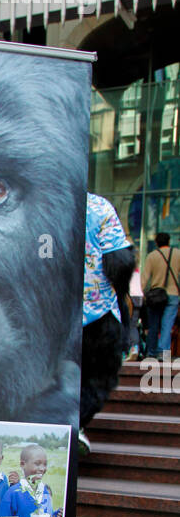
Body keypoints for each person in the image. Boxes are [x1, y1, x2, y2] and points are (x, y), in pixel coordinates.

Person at [80, 193, 135, 453]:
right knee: (98, 376)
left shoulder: (34, 198)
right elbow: (119, 261)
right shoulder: (98, 206)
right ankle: (76, 423)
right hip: (97, 312)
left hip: (47, 315)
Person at [0, 444, 62, 517]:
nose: (42, 468)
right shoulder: (12, 494)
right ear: (23, 464)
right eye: (37, 464)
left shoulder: (45, 492)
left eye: (45, 464)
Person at [141, 232, 179, 359]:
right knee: (167, 324)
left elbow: (144, 279)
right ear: (169, 241)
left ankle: (151, 352)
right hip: (173, 294)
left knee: (153, 325)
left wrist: (144, 294)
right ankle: (164, 353)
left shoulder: (151, 256)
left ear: (156, 243)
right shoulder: (178, 254)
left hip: (155, 295)